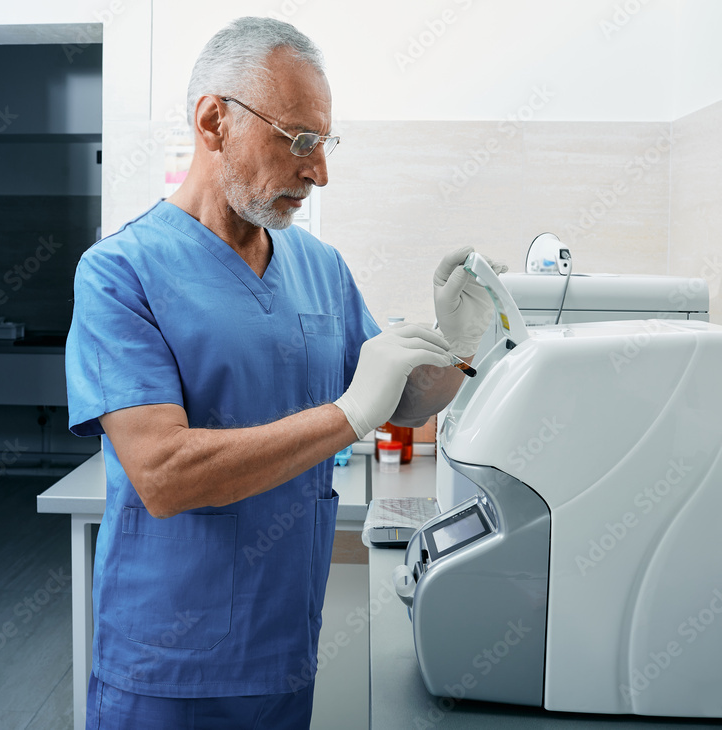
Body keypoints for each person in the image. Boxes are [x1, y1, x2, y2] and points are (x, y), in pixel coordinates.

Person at [65, 16, 504, 729]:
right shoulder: (120, 275)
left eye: (324, 144)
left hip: (282, 647)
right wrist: (346, 416)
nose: (318, 170)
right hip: (168, 663)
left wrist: (457, 347)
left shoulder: (318, 267)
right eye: (299, 140)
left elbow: (401, 404)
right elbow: (163, 473)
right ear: (214, 121)